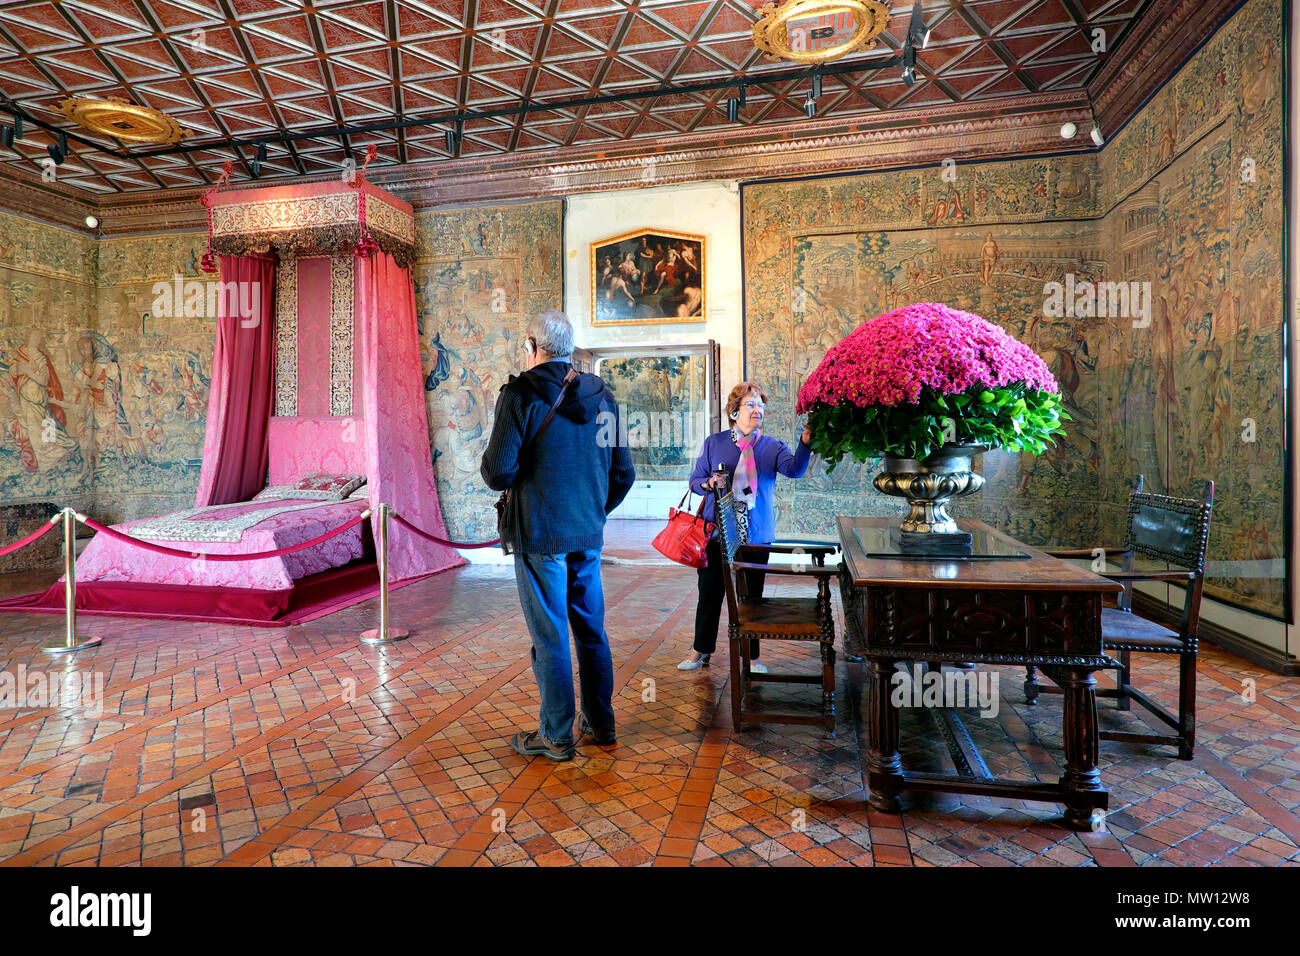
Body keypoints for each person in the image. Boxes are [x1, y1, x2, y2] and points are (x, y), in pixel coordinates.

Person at [481, 310, 636, 761]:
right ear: (570, 349)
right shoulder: (604, 396)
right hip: (586, 534)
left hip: (539, 535)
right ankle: (602, 725)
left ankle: (557, 734)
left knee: (550, 636)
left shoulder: (520, 394)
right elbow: (623, 474)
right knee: (591, 630)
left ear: (532, 346)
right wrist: (592, 512)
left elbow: (498, 471)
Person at [679, 382, 812, 671]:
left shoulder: (772, 446)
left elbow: (795, 470)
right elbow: (695, 482)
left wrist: (805, 443)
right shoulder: (715, 443)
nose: (757, 410)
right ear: (734, 411)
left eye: (761, 405)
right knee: (710, 594)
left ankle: (751, 658)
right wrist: (708, 483)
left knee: (752, 599)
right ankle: (700, 650)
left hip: (756, 537)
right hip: (717, 534)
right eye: (751, 404)